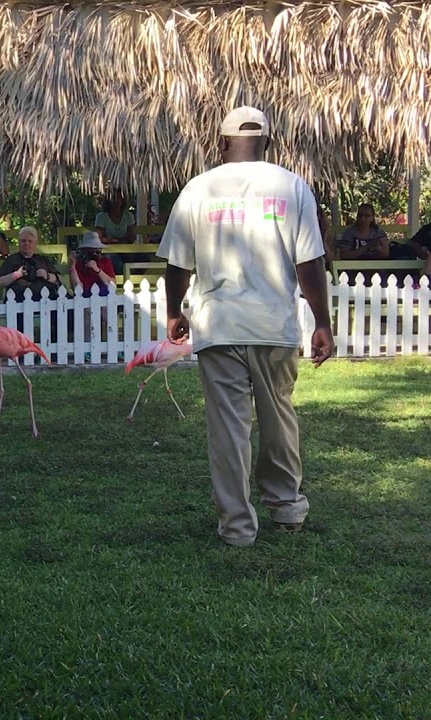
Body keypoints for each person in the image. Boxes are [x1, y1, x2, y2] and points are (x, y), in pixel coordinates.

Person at [157, 105, 334, 548]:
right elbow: (310, 262)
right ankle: (287, 507)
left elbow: (177, 264)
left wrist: (175, 311)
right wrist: (322, 322)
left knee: (228, 429)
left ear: (221, 142)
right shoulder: (292, 186)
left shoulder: (198, 189)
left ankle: (237, 527)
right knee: (278, 418)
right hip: (274, 325)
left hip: (219, 325)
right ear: (267, 143)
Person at [0, 227, 61, 301]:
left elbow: (58, 278)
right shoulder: (11, 260)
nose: (26, 243)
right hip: (18, 300)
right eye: (23, 241)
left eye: (30, 241)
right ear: (19, 242)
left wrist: (47, 275)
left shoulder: (42, 260)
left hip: (44, 300)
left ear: (35, 243)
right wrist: (16, 275)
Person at [68, 232, 116, 297]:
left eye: (98, 251)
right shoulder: (78, 264)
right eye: (91, 252)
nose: (95, 254)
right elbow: (77, 288)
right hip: (85, 298)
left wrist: (97, 270)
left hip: (105, 297)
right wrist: (73, 264)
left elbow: (113, 285)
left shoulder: (105, 262)